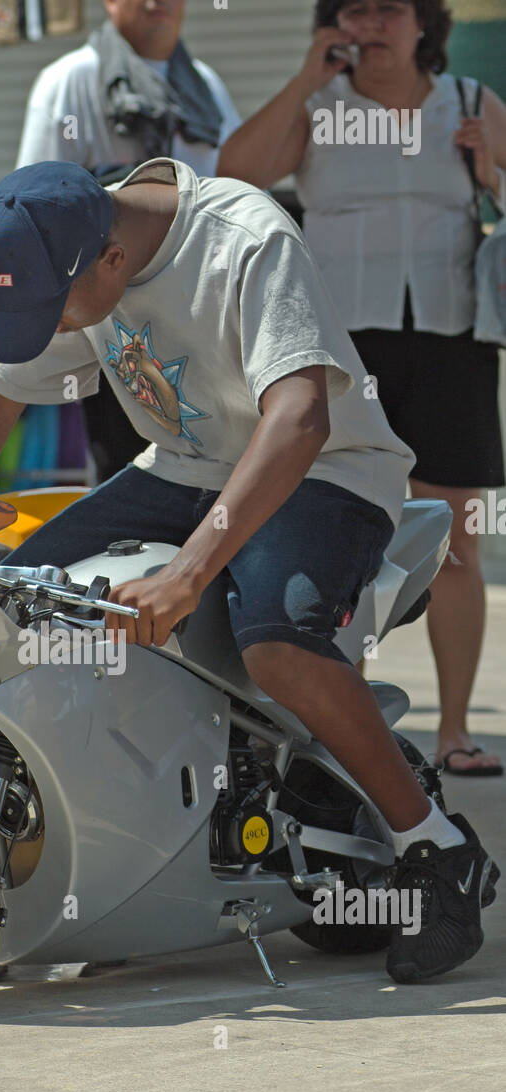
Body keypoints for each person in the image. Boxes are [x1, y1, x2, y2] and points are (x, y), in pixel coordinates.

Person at [0, 157, 498, 985]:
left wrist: (191, 573)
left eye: (50, 313)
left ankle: (432, 848)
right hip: (185, 466)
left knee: (275, 647)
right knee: (2, 600)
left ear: (112, 262)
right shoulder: (71, 242)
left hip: (325, 469)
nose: (43, 332)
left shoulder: (243, 238)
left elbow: (299, 417)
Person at [217, 0, 506, 778]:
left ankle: (453, 730)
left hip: (449, 341)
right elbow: (232, 177)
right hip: (337, 347)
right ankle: (320, 721)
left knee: (454, 544)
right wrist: (302, 79)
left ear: (424, 25)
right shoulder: (317, 105)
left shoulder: (473, 102)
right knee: (324, 528)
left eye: (389, 9)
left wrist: (492, 176)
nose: (371, 24)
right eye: (355, 9)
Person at [17, 0, 242, 485]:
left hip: (202, 313)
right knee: (124, 469)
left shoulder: (205, 85)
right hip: (117, 321)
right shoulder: (71, 78)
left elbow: (233, 189)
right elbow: (38, 205)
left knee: (214, 467)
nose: (156, 3)